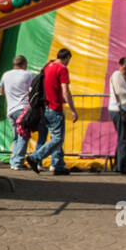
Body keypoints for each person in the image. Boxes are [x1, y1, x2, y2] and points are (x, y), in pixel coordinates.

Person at [26, 48, 78, 176]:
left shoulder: (48, 66)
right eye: (69, 60)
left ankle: (58, 164)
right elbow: (65, 90)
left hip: (45, 107)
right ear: (66, 58)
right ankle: (35, 157)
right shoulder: (62, 69)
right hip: (55, 108)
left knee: (52, 137)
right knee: (58, 138)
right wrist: (73, 109)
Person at [0, 55, 39, 170]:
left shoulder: (6, 75)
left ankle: (14, 161)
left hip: (10, 109)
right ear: (25, 64)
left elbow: (1, 91)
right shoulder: (28, 75)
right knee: (24, 136)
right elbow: (33, 90)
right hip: (23, 109)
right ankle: (17, 162)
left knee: (16, 137)